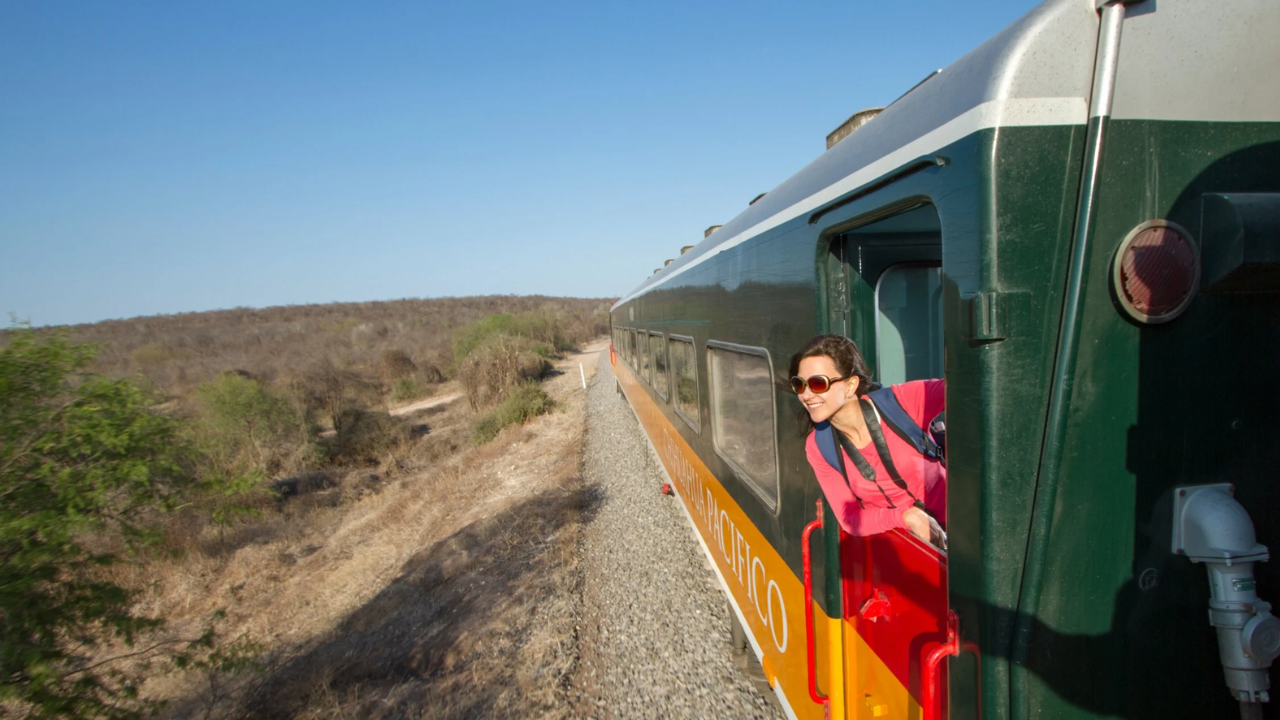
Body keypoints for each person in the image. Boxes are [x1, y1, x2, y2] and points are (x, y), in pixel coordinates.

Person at [788, 334, 945, 544]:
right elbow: (850, 518)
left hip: (968, 534)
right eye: (800, 385)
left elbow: (970, 388)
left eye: (818, 383)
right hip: (911, 553)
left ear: (851, 385)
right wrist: (906, 517)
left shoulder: (902, 402)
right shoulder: (819, 446)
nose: (806, 395)